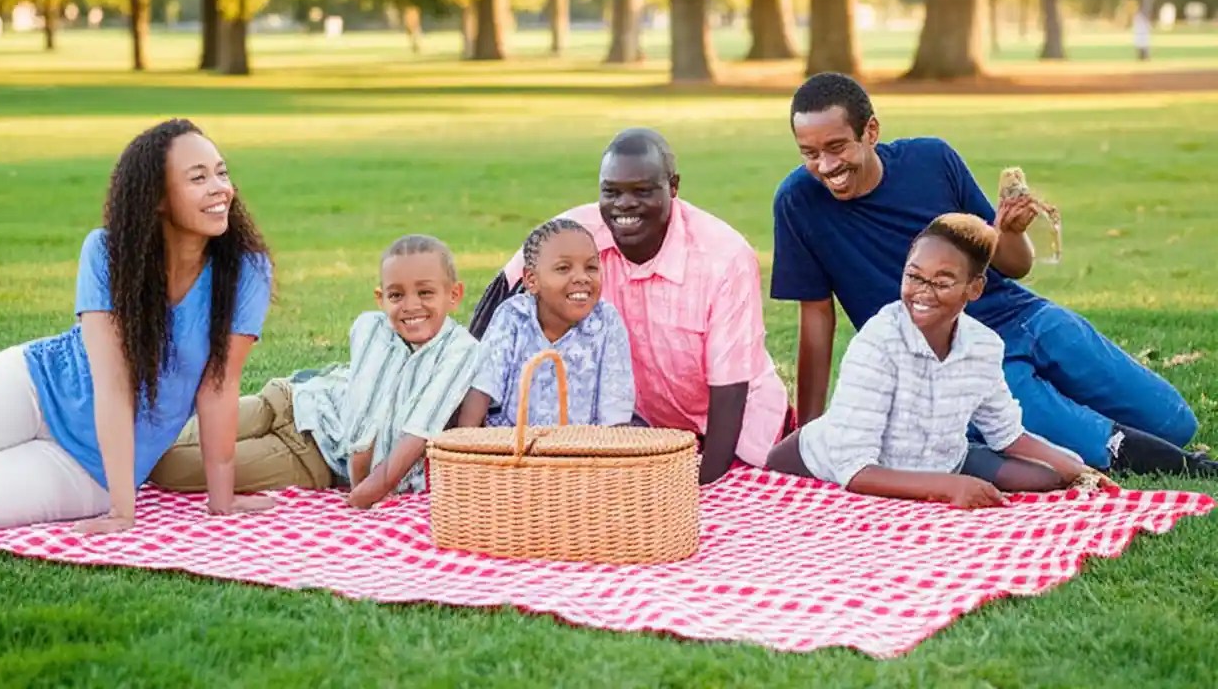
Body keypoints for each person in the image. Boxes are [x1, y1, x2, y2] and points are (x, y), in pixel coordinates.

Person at [773, 72, 1213, 476]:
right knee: (1088, 448)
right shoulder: (798, 202)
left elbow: (1013, 265)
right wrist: (811, 434)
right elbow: (816, 318)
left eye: (836, 147)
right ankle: (978, 422)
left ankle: (979, 428)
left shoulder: (932, 160)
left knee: (1173, 422)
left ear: (871, 131)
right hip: (957, 354)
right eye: (809, 153)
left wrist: (1012, 232)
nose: (825, 166)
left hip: (1023, 316)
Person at [0, 118, 275, 533]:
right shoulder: (107, 251)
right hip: (32, 386)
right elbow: (113, 382)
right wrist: (124, 513)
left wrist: (219, 502)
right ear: (158, 198)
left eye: (221, 172)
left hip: (86, 468)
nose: (220, 188)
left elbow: (219, 386)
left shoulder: (246, 270)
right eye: (197, 177)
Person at [470, 129, 791, 483]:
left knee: (737, 511)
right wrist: (462, 440)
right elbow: (504, 290)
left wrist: (706, 481)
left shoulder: (724, 256)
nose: (624, 204)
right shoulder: (579, 235)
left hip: (734, 429)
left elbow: (731, 384)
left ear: (673, 187)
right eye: (611, 191)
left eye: (642, 191)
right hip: (647, 429)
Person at [765, 214, 1118, 508]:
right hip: (829, 465)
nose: (922, 291)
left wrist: (1080, 470)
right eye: (914, 276)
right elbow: (855, 471)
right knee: (981, 487)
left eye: (942, 281)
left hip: (938, 458)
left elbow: (1008, 434)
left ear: (974, 289)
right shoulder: (879, 341)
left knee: (1047, 478)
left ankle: (965, 464)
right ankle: (953, 474)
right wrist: (949, 488)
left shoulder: (982, 346)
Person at [152, 234, 480, 510]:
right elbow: (364, 409)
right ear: (381, 298)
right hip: (288, 401)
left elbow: (419, 430)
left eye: (425, 293)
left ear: (454, 295)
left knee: (167, 466)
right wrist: (361, 486)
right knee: (161, 439)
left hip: (309, 455)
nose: (410, 306)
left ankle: (119, 462)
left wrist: (362, 495)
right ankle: (110, 448)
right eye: (396, 295)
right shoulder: (371, 327)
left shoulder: (461, 351)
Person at [458, 219, 635, 428]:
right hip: (510, 448)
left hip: (583, 449)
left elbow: (616, 407)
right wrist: (464, 446)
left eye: (591, 267)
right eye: (563, 268)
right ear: (531, 280)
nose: (582, 277)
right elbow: (483, 386)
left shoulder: (605, 321)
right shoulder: (514, 315)